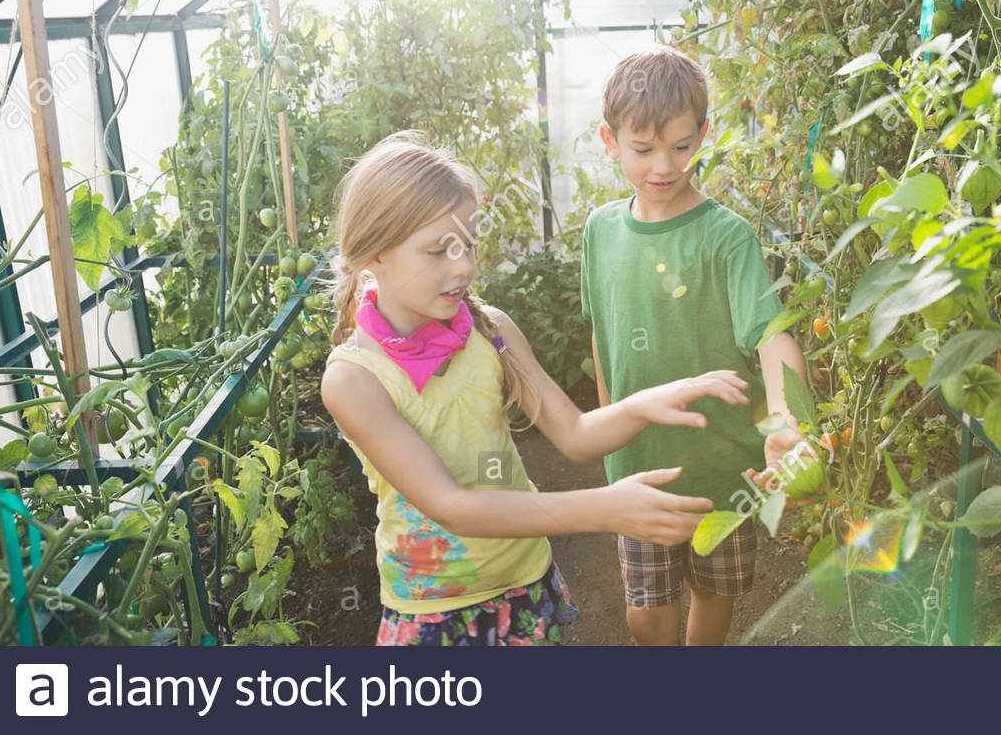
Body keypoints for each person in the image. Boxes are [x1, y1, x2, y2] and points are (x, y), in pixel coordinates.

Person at [320, 131, 749, 646]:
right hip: (434, 611)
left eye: (468, 246)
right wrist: (603, 507)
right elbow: (452, 506)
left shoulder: (488, 329)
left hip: (524, 584)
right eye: (437, 251)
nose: (463, 267)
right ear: (374, 255)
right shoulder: (354, 379)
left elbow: (575, 433)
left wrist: (647, 403)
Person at [582, 46, 808, 646]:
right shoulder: (600, 232)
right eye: (644, 148)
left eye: (682, 146)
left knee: (715, 590)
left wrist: (786, 420)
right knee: (647, 610)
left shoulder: (727, 236)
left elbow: (770, 334)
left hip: (723, 465)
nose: (664, 165)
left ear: (704, 132)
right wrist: (610, 433)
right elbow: (603, 336)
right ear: (610, 140)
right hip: (640, 470)